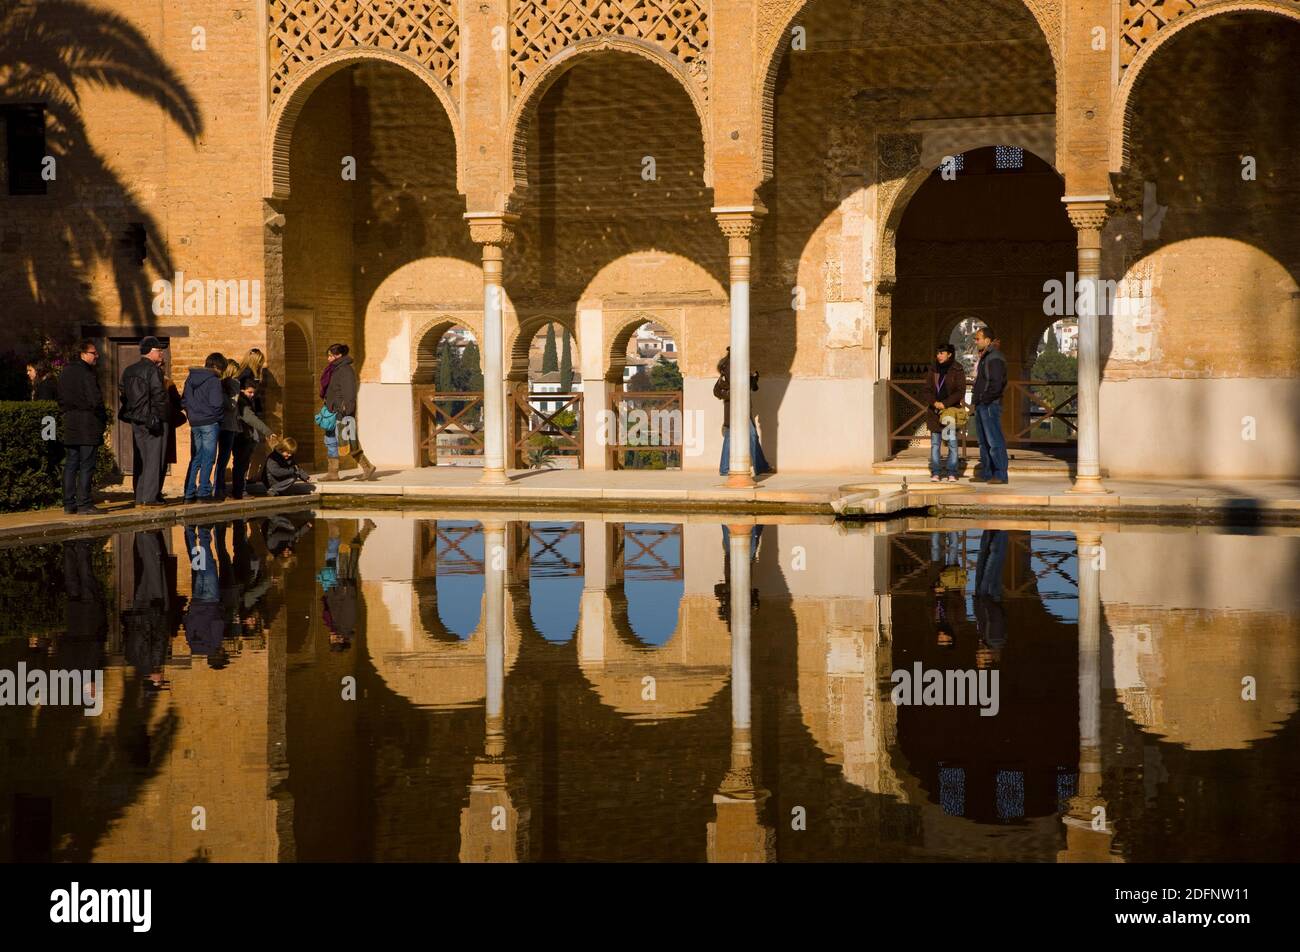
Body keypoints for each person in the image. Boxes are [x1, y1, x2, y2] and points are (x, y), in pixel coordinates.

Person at [57, 340, 106, 514]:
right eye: (94, 353)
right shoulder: (87, 373)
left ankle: (69, 503)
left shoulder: (65, 372)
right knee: (86, 465)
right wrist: (102, 416)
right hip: (88, 423)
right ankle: (84, 503)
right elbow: (95, 400)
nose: (96, 356)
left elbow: (61, 399)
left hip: (70, 422)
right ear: (83, 354)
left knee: (71, 464)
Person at [119, 336, 170, 507]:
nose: (161, 353)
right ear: (150, 351)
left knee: (141, 458)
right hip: (152, 419)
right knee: (154, 458)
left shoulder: (128, 370)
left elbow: (123, 395)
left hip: (136, 419)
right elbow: (159, 396)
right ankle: (150, 498)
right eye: (159, 350)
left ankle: (140, 496)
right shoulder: (153, 371)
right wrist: (162, 417)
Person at [318, 343, 376, 481]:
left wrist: (346, 411)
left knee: (348, 441)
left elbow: (350, 393)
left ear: (339, 355)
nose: (328, 359)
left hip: (342, 412)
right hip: (332, 411)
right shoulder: (335, 369)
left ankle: (367, 467)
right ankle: (333, 472)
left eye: (331, 356)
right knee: (330, 441)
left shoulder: (345, 370)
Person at [714, 348, 771, 478]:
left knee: (736, 437)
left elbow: (751, 387)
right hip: (736, 409)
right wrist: (733, 394)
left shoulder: (739, 366)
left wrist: (754, 376)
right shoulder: (730, 367)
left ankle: (725, 468)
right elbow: (727, 388)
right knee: (748, 436)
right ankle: (760, 466)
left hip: (741, 408)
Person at [181, 352, 227, 502]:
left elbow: (184, 401)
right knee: (208, 458)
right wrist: (217, 418)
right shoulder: (214, 381)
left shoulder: (190, 378)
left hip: (194, 423)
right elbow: (217, 404)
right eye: (222, 370)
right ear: (216, 366)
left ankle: (189, 492)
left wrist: (192, 415)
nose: (221, 374)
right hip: (209, 423)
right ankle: (204, 491)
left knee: (196, 458)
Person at [970, 326, 1009, 485]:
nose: (976, 341)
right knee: (984, 442)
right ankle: (987, 473)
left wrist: (985, 399)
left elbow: (997, 384)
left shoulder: (995, 357)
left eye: (978, 338)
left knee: (994, 441)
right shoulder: (986, 356)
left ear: (987, 340)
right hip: (982, 405)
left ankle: (1000, 474)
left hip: (990, 405)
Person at [927, 343, 967, 482]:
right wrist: (935, 403)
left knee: (951, 443)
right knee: (935, 444)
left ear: (949, 354)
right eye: (938, 353)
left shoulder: (957, 369)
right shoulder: (933, 369)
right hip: (934, 412)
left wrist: (945, 403)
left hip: (949, 412)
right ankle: (936, 472)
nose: (939, 356)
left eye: (942, 353)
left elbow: (960, 391)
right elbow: (926, 390)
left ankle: (952, 472)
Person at [231, 382, 275, 499]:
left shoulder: (246, 401)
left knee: (242, 465)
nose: (251, 395)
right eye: (249, 392)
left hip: (244, 436)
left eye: (253, 393)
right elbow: (250, 418)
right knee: (241, 465)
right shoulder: (242, 403)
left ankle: (240, 490)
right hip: (242, 437)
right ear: (242, 391)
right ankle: (240, 491)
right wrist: (267, 431)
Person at [214, 359, 241, 500]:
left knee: (221, 459)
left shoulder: (225, 384)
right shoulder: (233, 384)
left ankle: (219, 487)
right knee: (221, 459)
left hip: (223, 424)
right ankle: (218, 488)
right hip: (226, 425)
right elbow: (232, 405)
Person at [236, 348, 267, 415]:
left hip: (248, 405)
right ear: (254, 361)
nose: (261, 364)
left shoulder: (249, 372)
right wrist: (243, 391)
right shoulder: (247, 372)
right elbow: (234, 386)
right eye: (259, 361)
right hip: (244, 406)